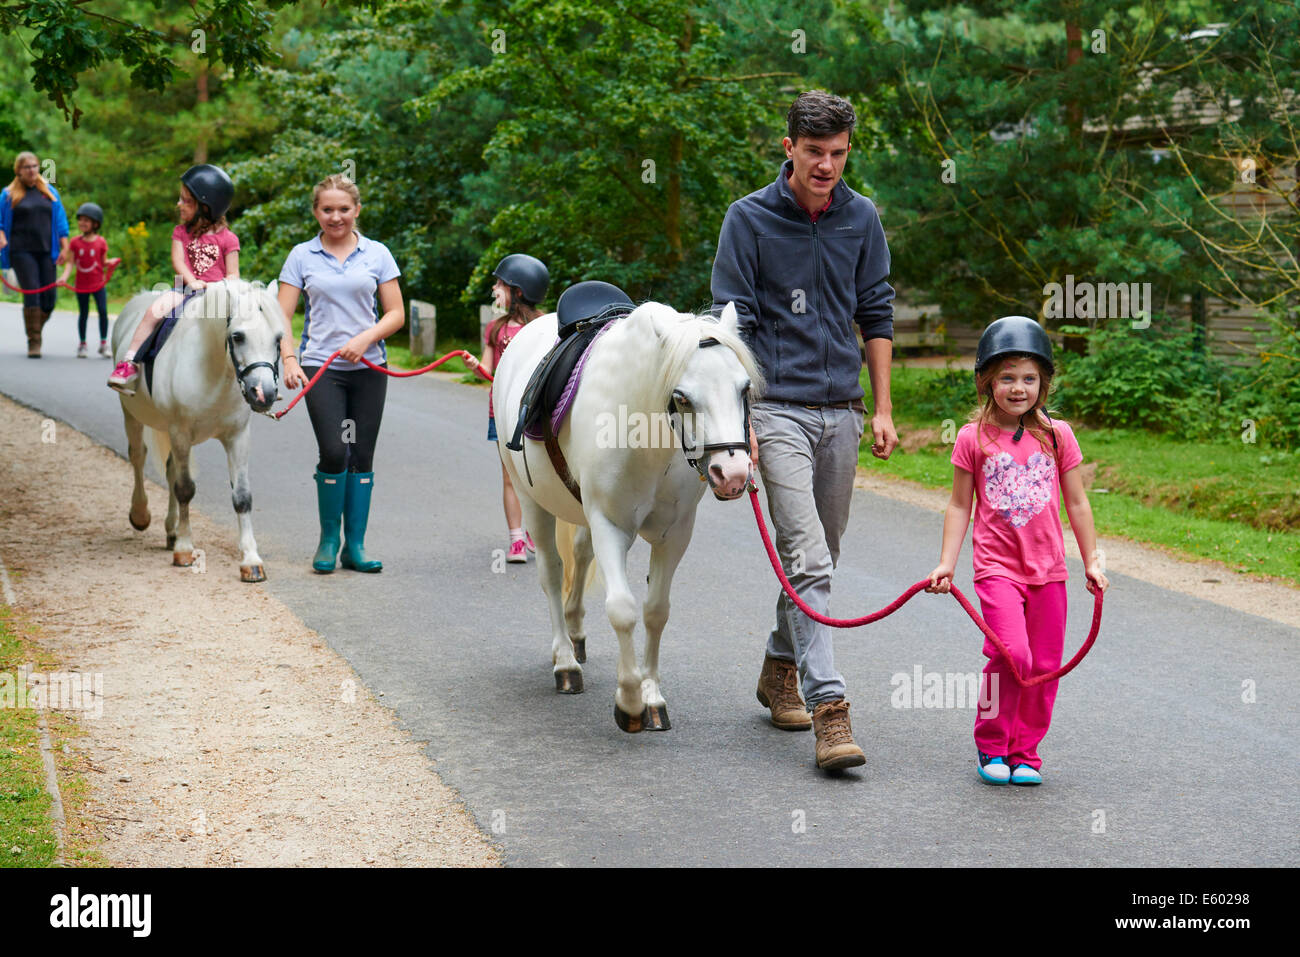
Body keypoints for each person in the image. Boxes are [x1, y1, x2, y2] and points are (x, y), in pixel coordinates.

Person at [711, 90, 898, 772]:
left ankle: (777, 666)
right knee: (809, 557)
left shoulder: (861, 218)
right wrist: (741, 421)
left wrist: (881, 406)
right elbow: (733, 324)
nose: (827, 166)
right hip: (775, 406)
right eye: (814, 152)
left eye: (839, 154)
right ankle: (831, 709)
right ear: (788, 147)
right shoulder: (749, 219)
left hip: (842, 408)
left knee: (822, 554)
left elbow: (876, 311)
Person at [926, 315, 1109, 786]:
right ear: (988, 381)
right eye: (1007, 377)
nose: (1018, 388)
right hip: (997, 569)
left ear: (1043, 383)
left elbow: (1078, 502)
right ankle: (992, 743)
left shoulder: (1058, 435)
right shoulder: (972, 438)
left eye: (1029, 378)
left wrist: (1091, 558)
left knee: (1045, 666)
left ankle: (1025, 751)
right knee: (1014, 656)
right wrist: (947, 563)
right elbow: (957, 505)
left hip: (1049, 570)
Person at [277, 174, 404, 574]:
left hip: (369, 367)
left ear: (357, 210)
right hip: (320, 366)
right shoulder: (301, 256)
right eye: (327, 210)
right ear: (316, 212)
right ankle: (328, 540)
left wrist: (367, 339)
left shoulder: (377, 253)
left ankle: (356, 546)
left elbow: (396, 313)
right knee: (335, 451)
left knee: (361, 454)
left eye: (344, 209)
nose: (336, 217)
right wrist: (288, 358)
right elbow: (281, 314)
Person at [108, 164, 239, 393]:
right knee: (154, 312)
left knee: (245, 327)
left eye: (186, 200)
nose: (178, 205)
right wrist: (192, 281)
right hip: (184, 291)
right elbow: (178, 262)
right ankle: (129, 363)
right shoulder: (181, 232)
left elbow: (233, 273)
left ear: (206, 207)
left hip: (217, 295)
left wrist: (222, 287)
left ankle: (254, 376)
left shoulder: (229, 239)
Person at [463, 254, 549, 562]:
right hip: (501, 413)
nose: (494, 290)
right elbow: (490, 372)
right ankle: (515, 539)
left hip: (535, 412)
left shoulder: (544, 327)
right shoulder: (495, 328)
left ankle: (535, 533)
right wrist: (476, 367)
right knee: (510, 477)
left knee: (537, 475)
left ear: (519, 292)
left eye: (500, 284)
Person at [0, 151, 70, 357]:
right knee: (33, 293)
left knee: (49, 299)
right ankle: (34, 341)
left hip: (47, 250)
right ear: (18, 171)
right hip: (20, 251)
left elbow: (60, 222)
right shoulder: (8, 194)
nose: (31, 170)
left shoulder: (49, 192)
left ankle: (35, 327)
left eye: (34, 166)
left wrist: (65, 247)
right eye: (26, 167)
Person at [59, 202, 110, 357]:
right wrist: (64, 277)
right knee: (84, 313)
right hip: (81, 285)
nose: (82, 223)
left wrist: (111, 263)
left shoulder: (101, 242)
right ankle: (82, 344)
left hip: (98, 284)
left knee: (103, 311)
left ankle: (103, 343)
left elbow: (103, 262)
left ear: (95, 223)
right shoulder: (75, 242)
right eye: (81, 220)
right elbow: (70, 263)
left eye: (86, 220)